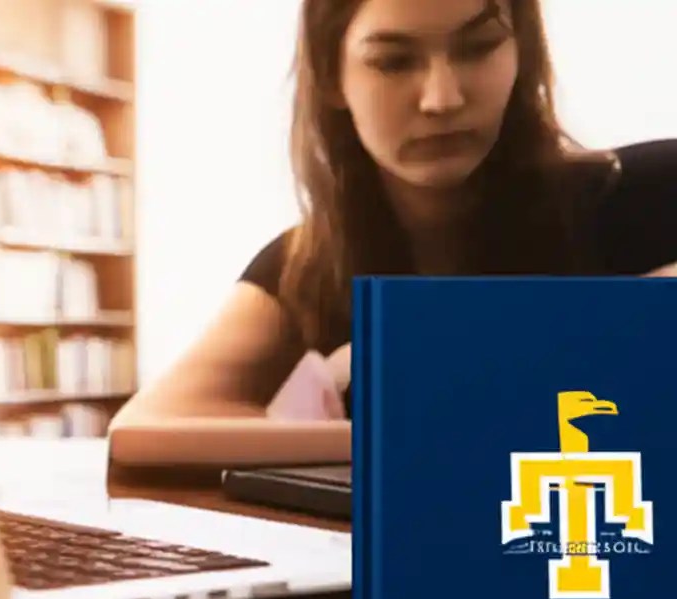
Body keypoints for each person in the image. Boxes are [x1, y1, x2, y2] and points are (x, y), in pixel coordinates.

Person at [110, 0, 677, 432]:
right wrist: (327, 393)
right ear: (333, 78)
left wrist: (422, 350)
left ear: (520, 52)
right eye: (393, 61)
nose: (442, 97)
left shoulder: (643, 188)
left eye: (478, 47)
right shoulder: (308, 262)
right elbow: (147, 427)